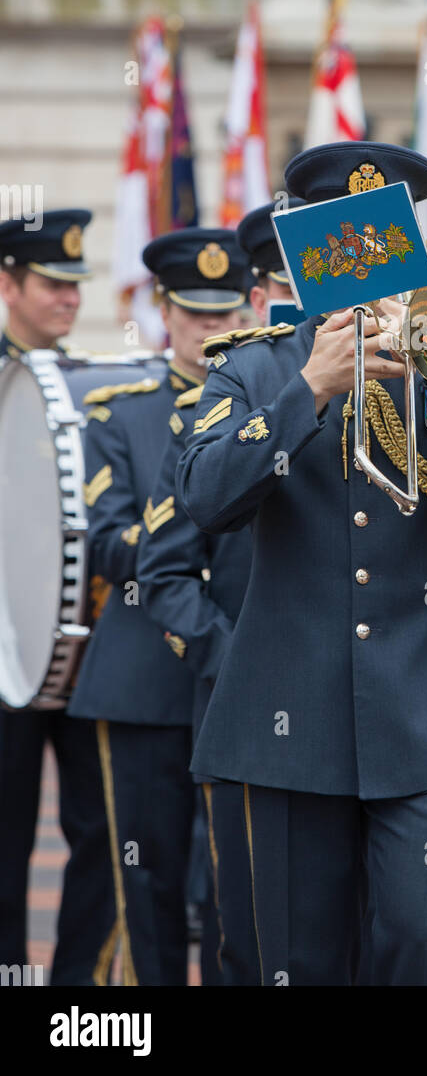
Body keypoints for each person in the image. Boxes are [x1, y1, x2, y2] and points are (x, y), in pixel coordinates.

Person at [176, 140, 427, 986]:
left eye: (383, 239)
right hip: (287, 719)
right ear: (306, 249)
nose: (367, 263)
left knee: (426, 937)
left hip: (425, 719)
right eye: (343, 240)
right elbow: (204, 498)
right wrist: (306, 391)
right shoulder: (253, 366)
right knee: (300, 961)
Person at [66, 227, 247, 986]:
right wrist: (189, 536)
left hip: (239, 672)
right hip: (144, 675)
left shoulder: (271, 403)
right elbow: (105, 542)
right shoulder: (119, 412)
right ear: (164, 311)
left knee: (239, 884)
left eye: (227, 312)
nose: (212, 328)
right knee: (145, 878)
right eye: (197, 313)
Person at [135, 203, 302, 985]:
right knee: (246, 923)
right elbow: (165, 573)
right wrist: (232, 659)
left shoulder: (395, 396)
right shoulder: (203, 411)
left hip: (368, 705)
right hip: (246, 703)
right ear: (265, 295)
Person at [0, 209, 117, 984]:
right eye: (52, 284)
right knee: (5, 837)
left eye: (77, 287)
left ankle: (75, 988)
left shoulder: (94, 386)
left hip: (84, 645)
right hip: (5, 648)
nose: (69, 300)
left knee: (102, 831)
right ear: (7, 283)